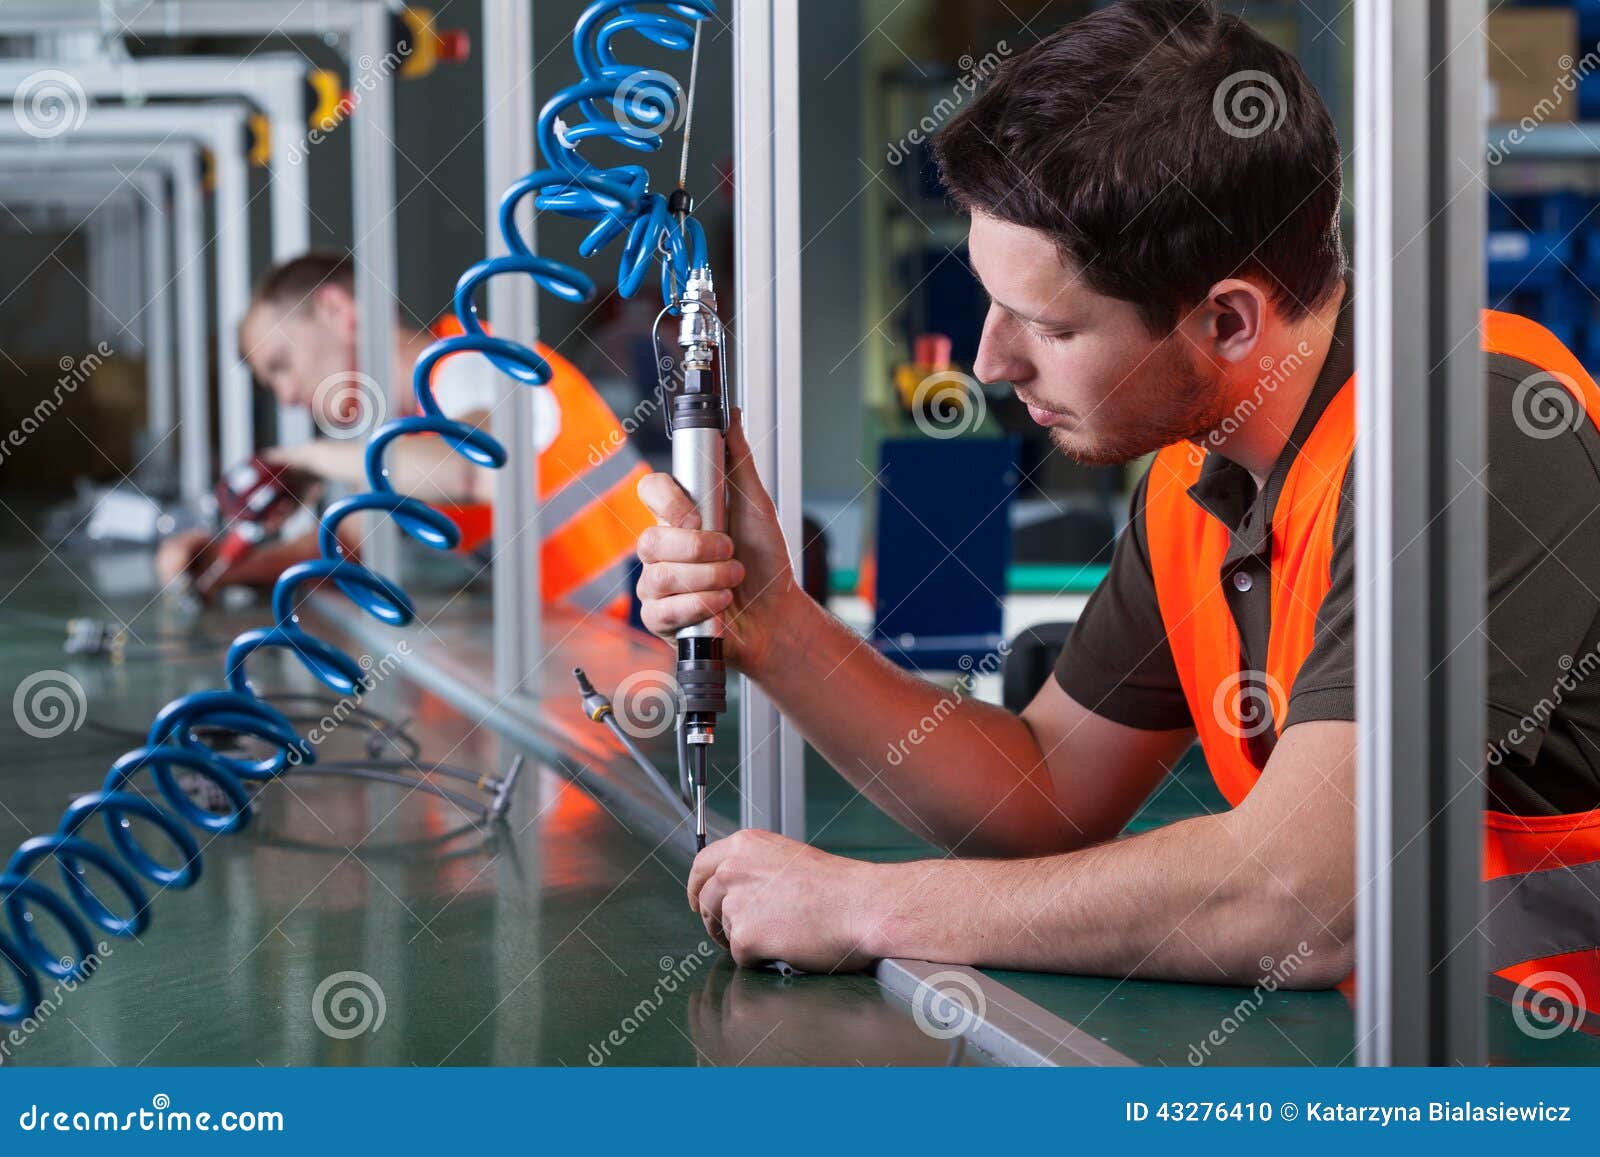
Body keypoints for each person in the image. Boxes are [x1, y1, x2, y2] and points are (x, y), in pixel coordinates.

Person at [635, 0, 1600, 1006]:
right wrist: (775, 623)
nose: (988, 360)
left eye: (1044, 325)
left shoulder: (1469, 436)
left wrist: (867, 905)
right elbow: (1046, 788)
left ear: (1226, 321)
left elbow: (1302, 899)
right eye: (987, 302)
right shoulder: (1201, 476)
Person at [157, 252, 654, 616]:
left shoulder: (467, 359)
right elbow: (348, 546)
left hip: (649, 608)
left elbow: (467, 469)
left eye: (281, 365)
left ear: (337, 311)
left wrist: (302, 456)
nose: (286, 396)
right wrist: (222, 567)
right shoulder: (406, 432)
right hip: (608, 631)